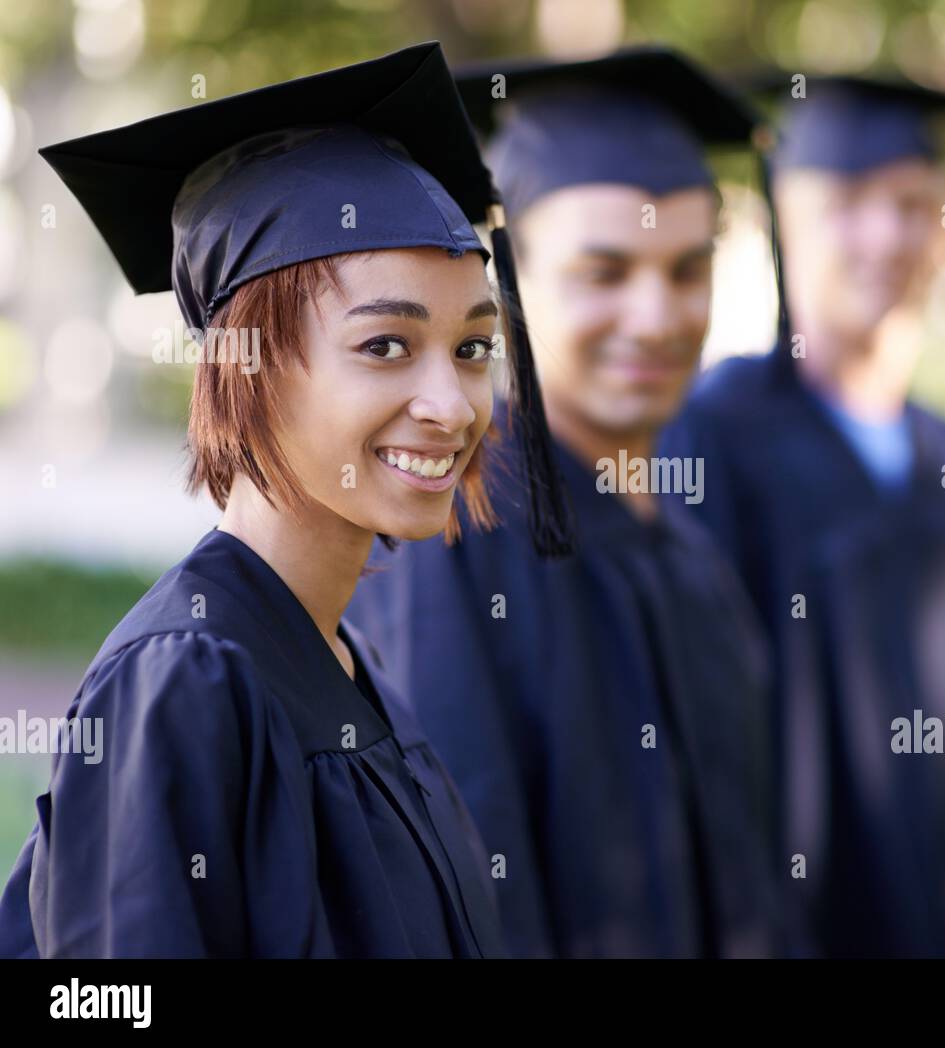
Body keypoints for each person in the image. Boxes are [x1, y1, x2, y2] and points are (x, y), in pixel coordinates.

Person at [0, 42, 573, 958]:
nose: (452, 403)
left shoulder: (344, 660)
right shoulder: (185, 679)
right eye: (385, 344)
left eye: (471, 348)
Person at [347, 47, 789, 958]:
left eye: (687, 269)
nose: (657, 316)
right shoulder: (452, 534)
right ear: (506, 285)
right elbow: (467, 895)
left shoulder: (687, 547)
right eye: (604, 271)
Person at [661, 75, 945, 957]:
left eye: (910, 206)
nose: (884, 236)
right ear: (787, 217)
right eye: (848, 204)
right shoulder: (714, 434)